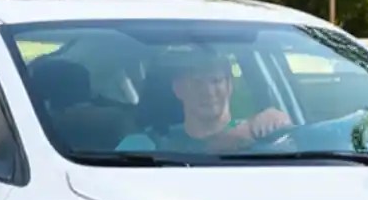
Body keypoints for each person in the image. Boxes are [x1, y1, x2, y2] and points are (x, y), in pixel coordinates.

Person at [116, 46, 293, 152]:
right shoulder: (143, 145)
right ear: (178, 89)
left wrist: (280, 125)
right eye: (197, 82)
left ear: (230, 86)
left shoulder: (263, 131)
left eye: (216, 81)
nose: (208, 91)